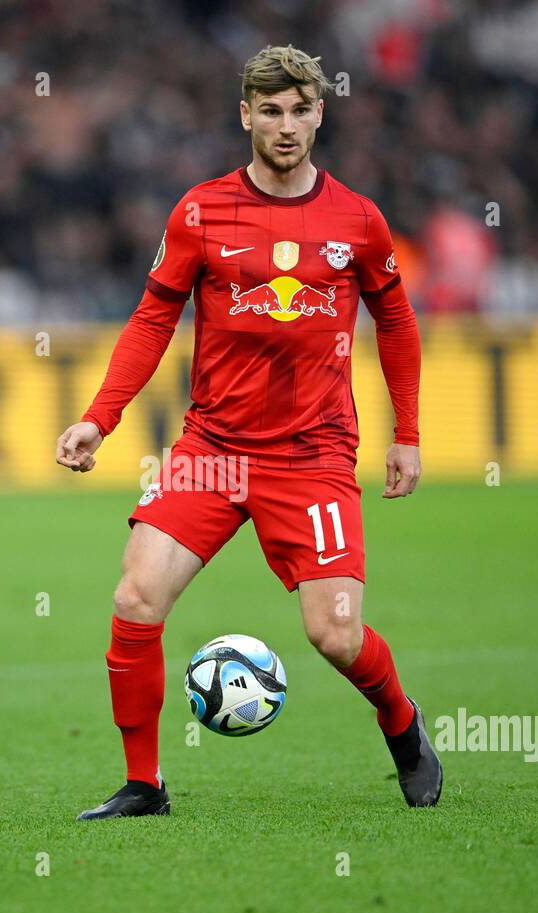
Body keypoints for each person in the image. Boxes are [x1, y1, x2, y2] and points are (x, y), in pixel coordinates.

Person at [55, 45, 441, 819]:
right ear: (246, 116)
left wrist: (408, 432)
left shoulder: (359, 220)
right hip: (214, 449)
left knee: (335, 635)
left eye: (299, 110)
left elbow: (396, 320)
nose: (286, 126)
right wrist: (100, 418)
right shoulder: (200, 212)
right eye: (270, 111)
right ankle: (144, 785)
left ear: (320, 113)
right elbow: (152, 318)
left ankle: (402, 723)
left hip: (313, 454)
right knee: (136, 596)